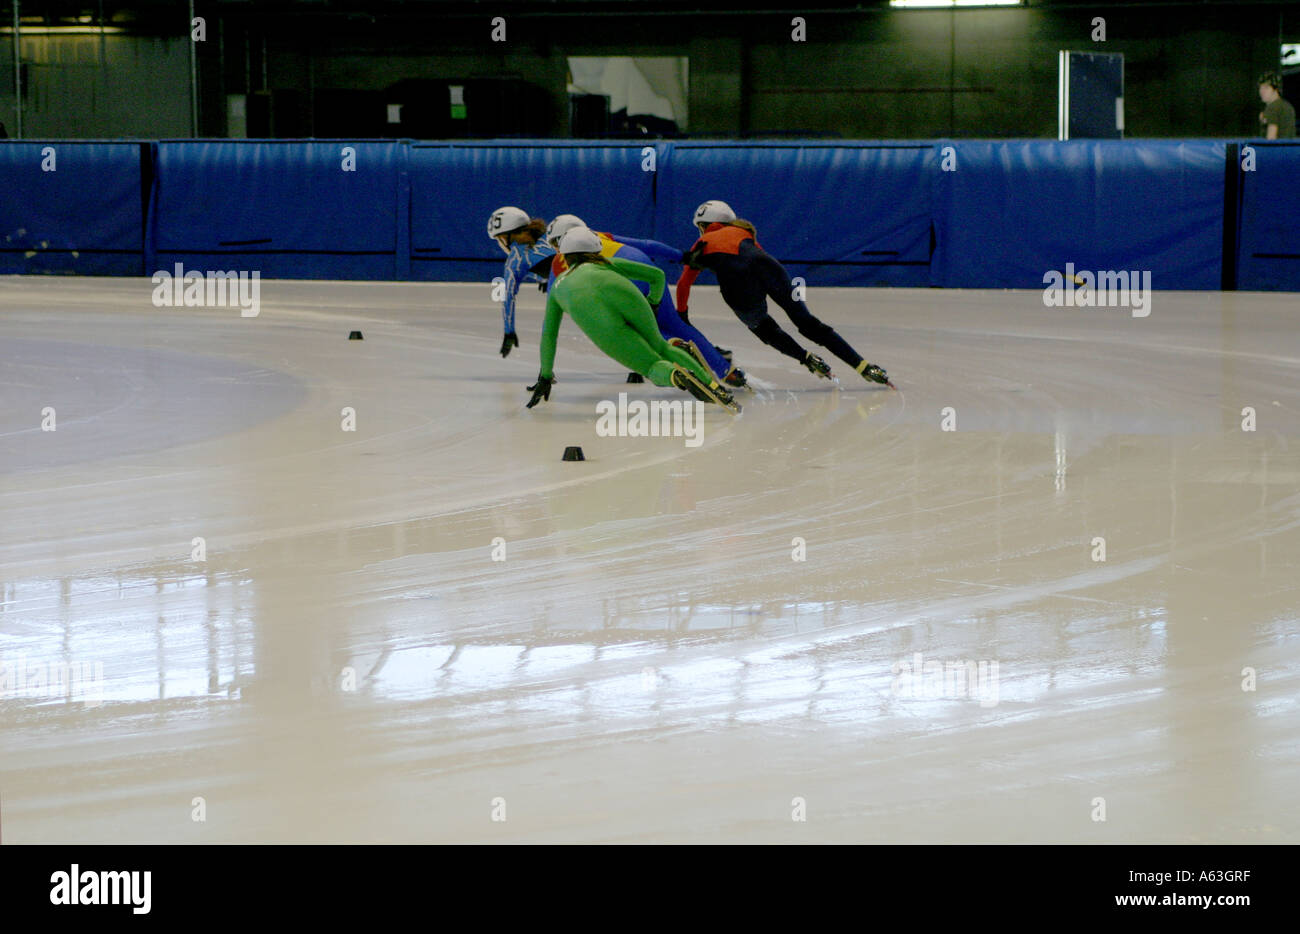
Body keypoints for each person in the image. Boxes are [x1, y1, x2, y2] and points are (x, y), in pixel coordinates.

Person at [675, 200, 893, 388]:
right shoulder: (744, 231)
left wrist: (682, 314)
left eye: (701, 227)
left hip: (739, 288)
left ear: (707, 226)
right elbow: (758, 258)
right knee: (809, 324)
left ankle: (806, 358)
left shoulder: (702, 243)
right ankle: (865, 367)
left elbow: (684, 283)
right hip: (774, 271)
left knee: (763, 328)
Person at [526, 227, 738, 413]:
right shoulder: (610, 263)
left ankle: (676, 376)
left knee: (652, 365)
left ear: (564, 254)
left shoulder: (558, 287)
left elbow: (549, 334)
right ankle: (714, 386)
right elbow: (657, 276)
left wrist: (545, 376)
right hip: (633, 301)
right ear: (596, 249)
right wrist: (653, 303)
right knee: (661, 346)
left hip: (603, 323)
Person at [487, 206, 555, 358]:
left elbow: (508, 297)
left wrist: (509, 331)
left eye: (500, 239)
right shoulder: (552, 232)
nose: (501, 243)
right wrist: (548, 277)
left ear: (508, 236)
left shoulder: (515, 258)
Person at [1257, 72, 1296, 139]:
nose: (1261, 91)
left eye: (1266, 88)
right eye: (1260, 88)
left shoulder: (1272, 108)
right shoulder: (1288, 106)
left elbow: (1271, 139)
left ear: (1276, 89)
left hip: (1276, 149)